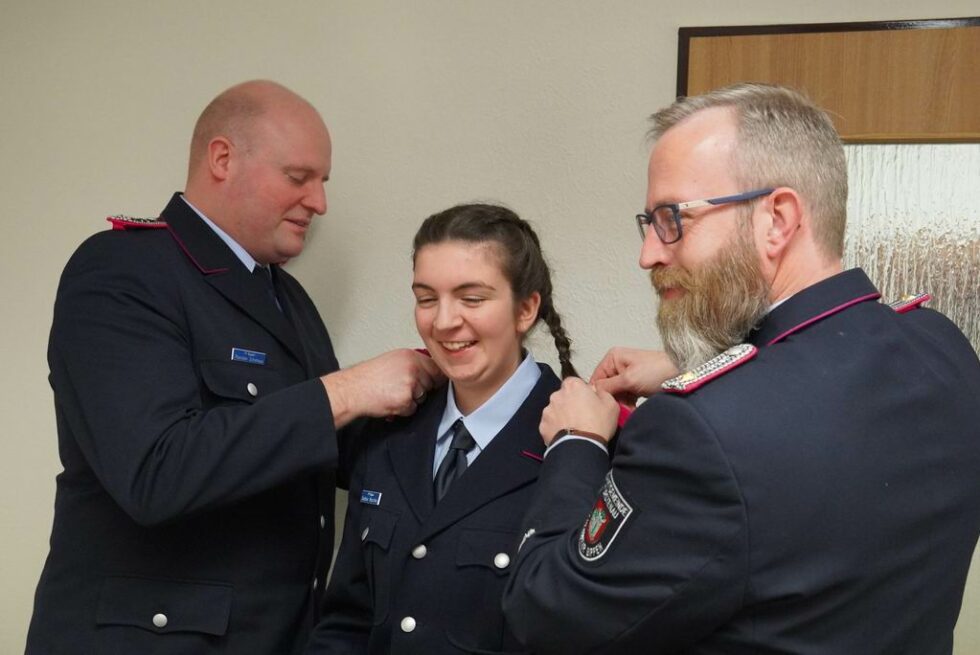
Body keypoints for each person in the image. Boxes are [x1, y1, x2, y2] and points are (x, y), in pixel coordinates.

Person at [502, 83, 980, 654]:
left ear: (776, 220)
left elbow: (547, 616)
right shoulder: (941, 346)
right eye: (648, 223)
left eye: (672, 219)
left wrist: (575, 443)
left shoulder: (696, 434)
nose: (648, 253)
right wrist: (698, 368)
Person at [26, 80, 442, 654]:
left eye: (323, 183)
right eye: (299, 178)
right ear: (222, 159)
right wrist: (348, 391)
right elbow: (155, 472)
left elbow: (322, 454)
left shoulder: (287, 299)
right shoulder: (123, 271)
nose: (319, 202)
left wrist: (467, 393)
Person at [307, 203, 578, 654]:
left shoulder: (579, 441)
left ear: (526, 308)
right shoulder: (389, 431)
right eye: (427, 298)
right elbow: (348, 621)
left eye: (472, 298)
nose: (444, 321)